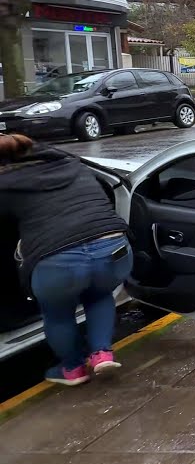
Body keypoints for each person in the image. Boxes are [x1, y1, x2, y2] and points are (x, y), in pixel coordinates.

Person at [0, 133, 132, 385]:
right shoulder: (71, 163)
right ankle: (101, 354)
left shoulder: (5, 182)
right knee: (100, 295)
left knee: (58, 314)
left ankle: (72, 369)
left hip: (59, 260)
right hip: (114, 246)